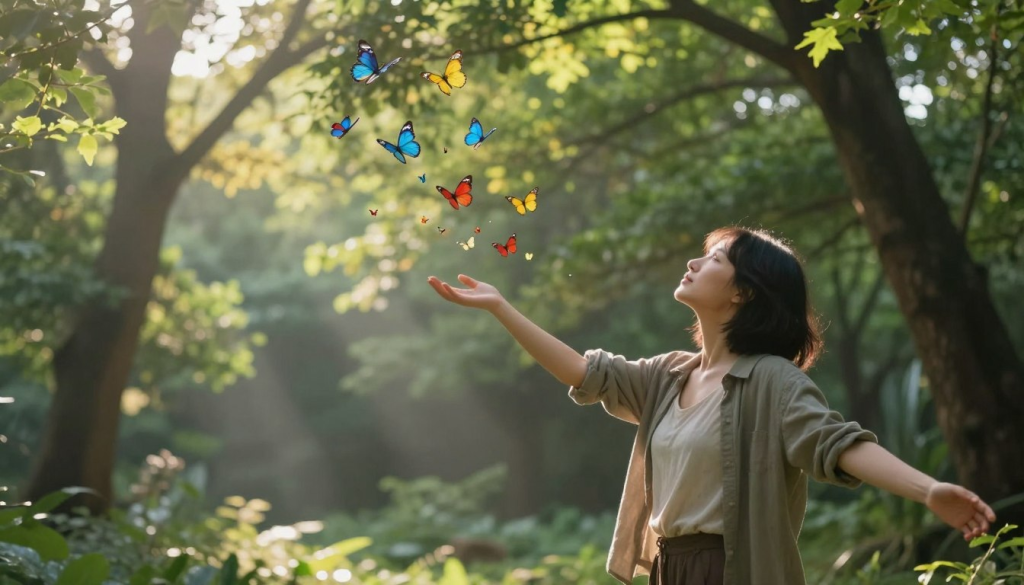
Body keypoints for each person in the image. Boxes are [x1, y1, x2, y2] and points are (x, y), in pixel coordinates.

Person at [426, 226, 997, 585]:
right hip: (669, 567)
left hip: (729, 569)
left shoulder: (772, 381)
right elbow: (584, 372)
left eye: (715, 259)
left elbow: (839, 446)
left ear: (744, 292)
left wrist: (928, 491)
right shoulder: (668, 376)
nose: (695, 263)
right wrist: (501, 308)